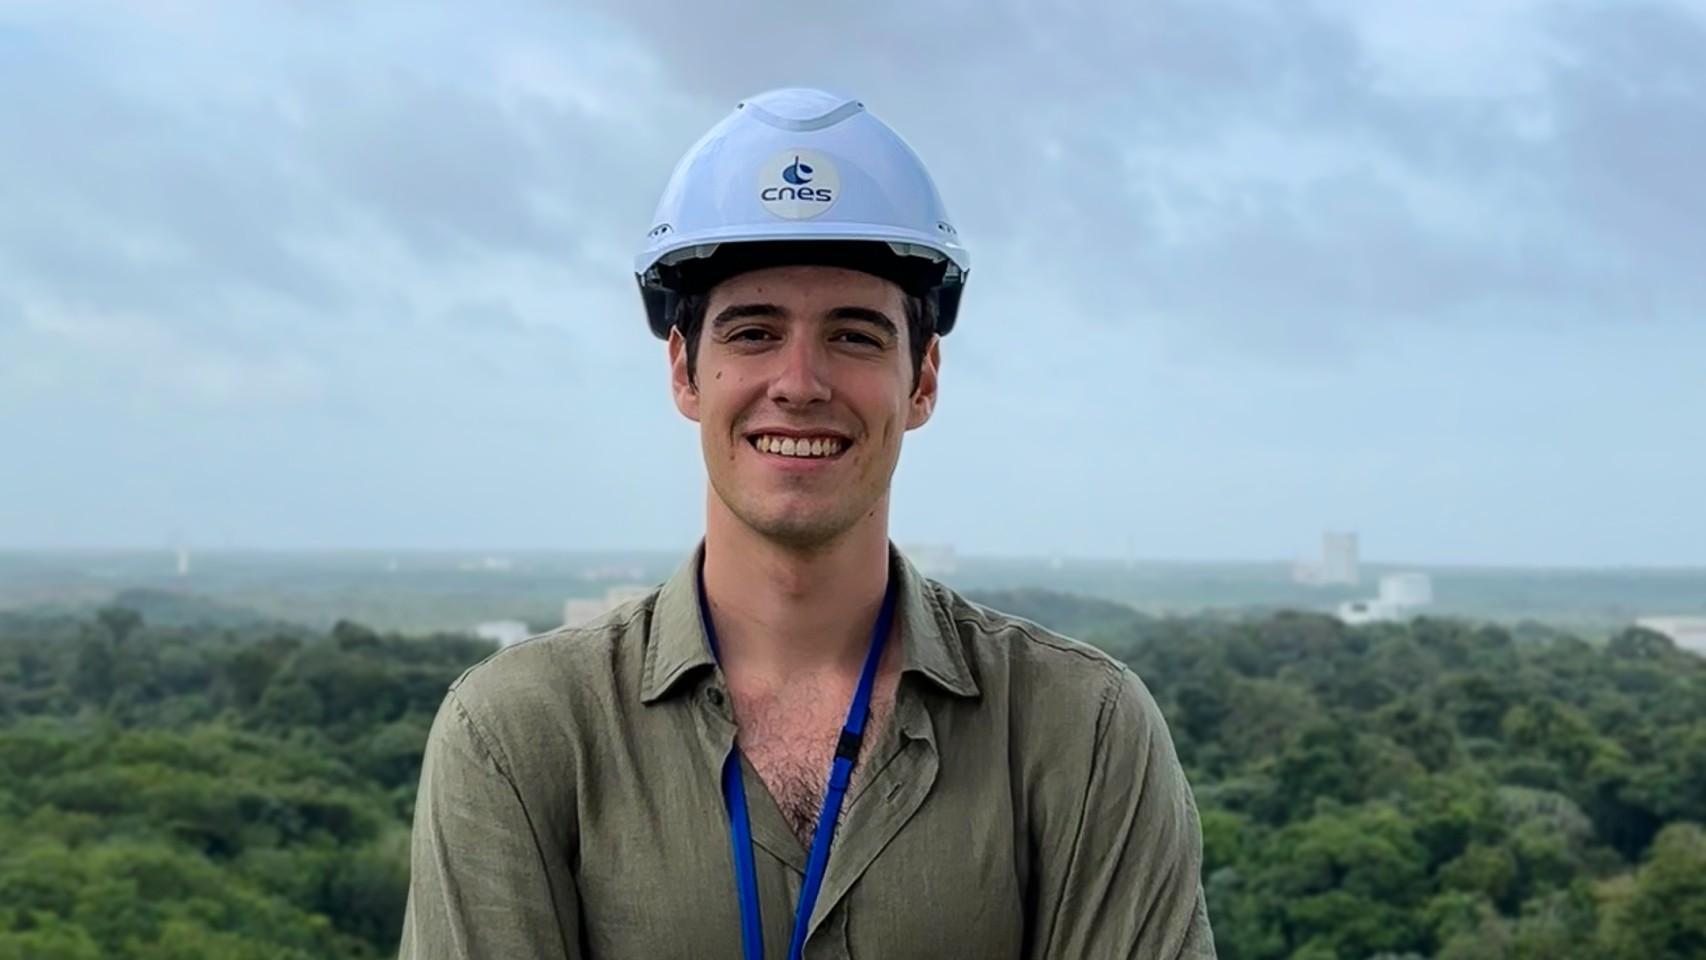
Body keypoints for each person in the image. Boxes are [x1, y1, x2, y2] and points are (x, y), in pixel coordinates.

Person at [398, 87, 1216, 960]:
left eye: (854, 336)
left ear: (923, 380)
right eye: (753, 332)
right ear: (684, 372)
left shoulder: (1081, 727)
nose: (799, 383)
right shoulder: (522, 731)